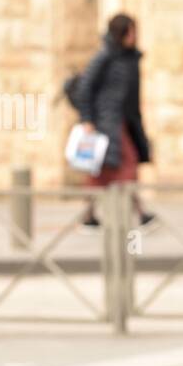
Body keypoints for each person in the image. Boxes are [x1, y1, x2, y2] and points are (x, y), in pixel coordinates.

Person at [73, 13, 154, 228]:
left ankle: (91, 216)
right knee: (119, 167)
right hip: (106, 124)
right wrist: (88, 119)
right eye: (130, 31)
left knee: (107, 170)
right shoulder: (105, 57)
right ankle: (139, 213)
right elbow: (85, 88)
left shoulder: (129, 58)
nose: (134, 36)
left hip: (124, 123)